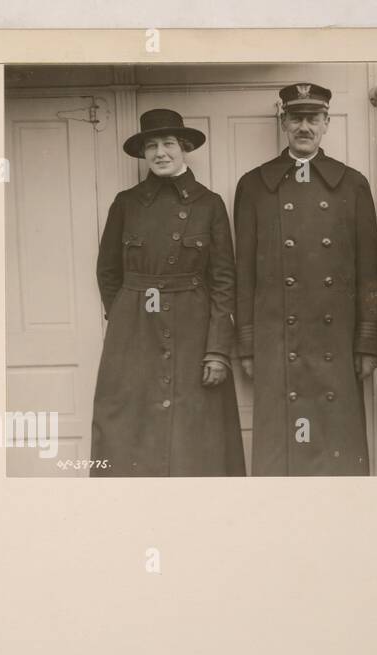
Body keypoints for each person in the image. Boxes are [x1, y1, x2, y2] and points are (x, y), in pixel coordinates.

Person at [234, 82, 377, 476]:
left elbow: (369, 271)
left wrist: (368, 343)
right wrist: (247, 345)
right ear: (284, 122)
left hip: (336, 339)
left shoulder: (352, 184)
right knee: (282, 452)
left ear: (326, 123)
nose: (304, 127)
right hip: (277, 340)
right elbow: (243, 271)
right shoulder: (254, 185)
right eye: (296, 118)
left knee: (337, 449)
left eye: (312, 119)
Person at [90, 108, 245, 477]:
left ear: (185, 147)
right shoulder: (125, 203)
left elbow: (224, 280)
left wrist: (218, 351)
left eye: (169, 144)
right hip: (134, 332)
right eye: (152, 146)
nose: (160, 152)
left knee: (195, 436)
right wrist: (128, 316)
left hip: (194, 331)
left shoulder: (209, 204)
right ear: (144, 154)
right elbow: (108, 271)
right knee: (126, 427)